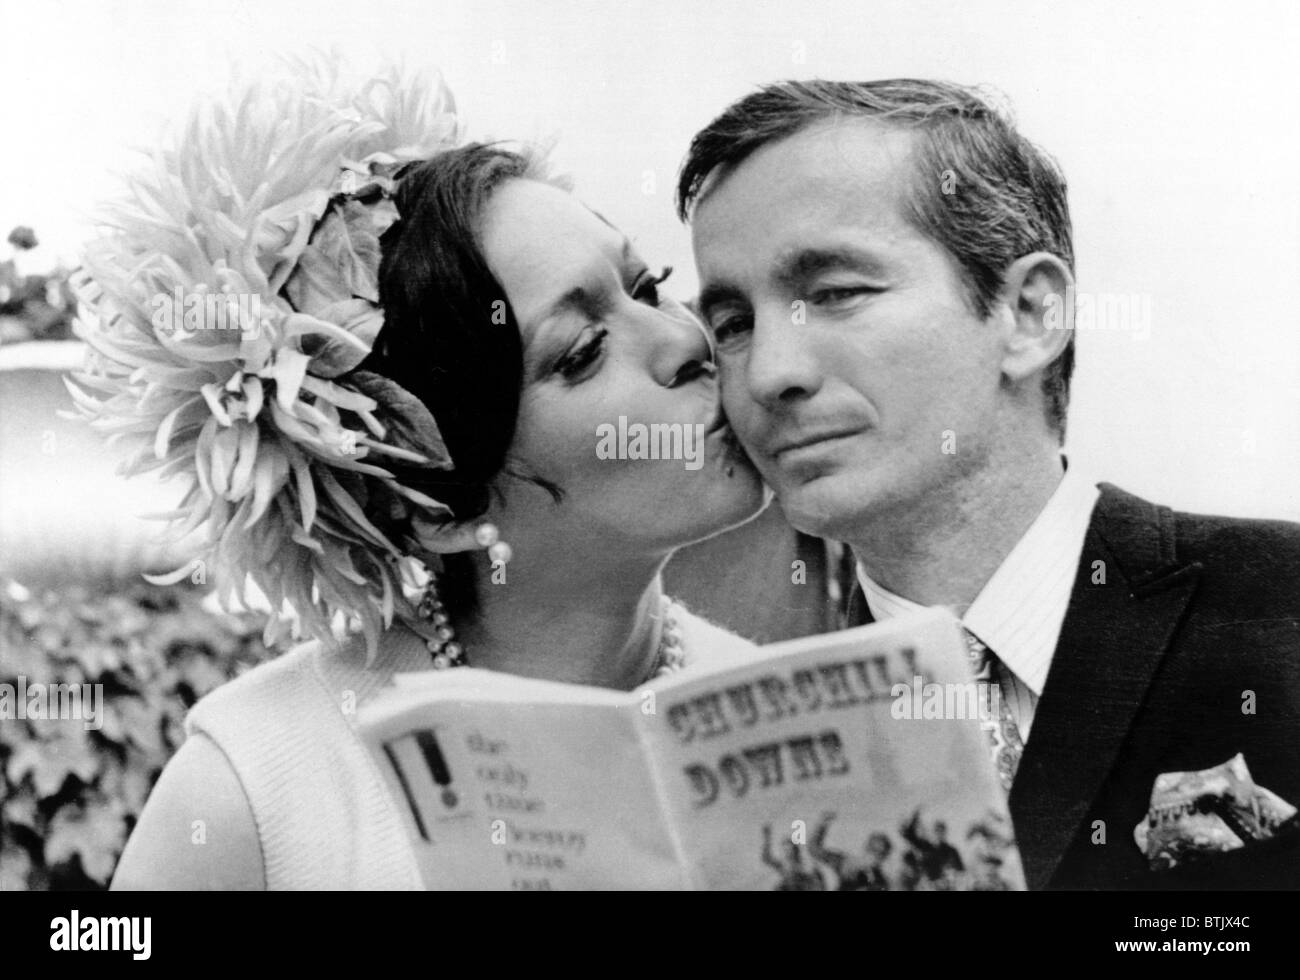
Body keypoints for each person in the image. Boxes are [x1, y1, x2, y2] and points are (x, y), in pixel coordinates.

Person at [95, 67, 766, 889]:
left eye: (645, 287)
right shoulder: (254, 785)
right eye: (583, 352)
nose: (683, 340)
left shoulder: (781, 715)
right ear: (439, 504)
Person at [677, 79, 1300, 890]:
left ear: (1030, 313)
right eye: (732, 324)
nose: (769, 374)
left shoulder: (1280, 607)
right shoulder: (752, 746)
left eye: (834, 295)